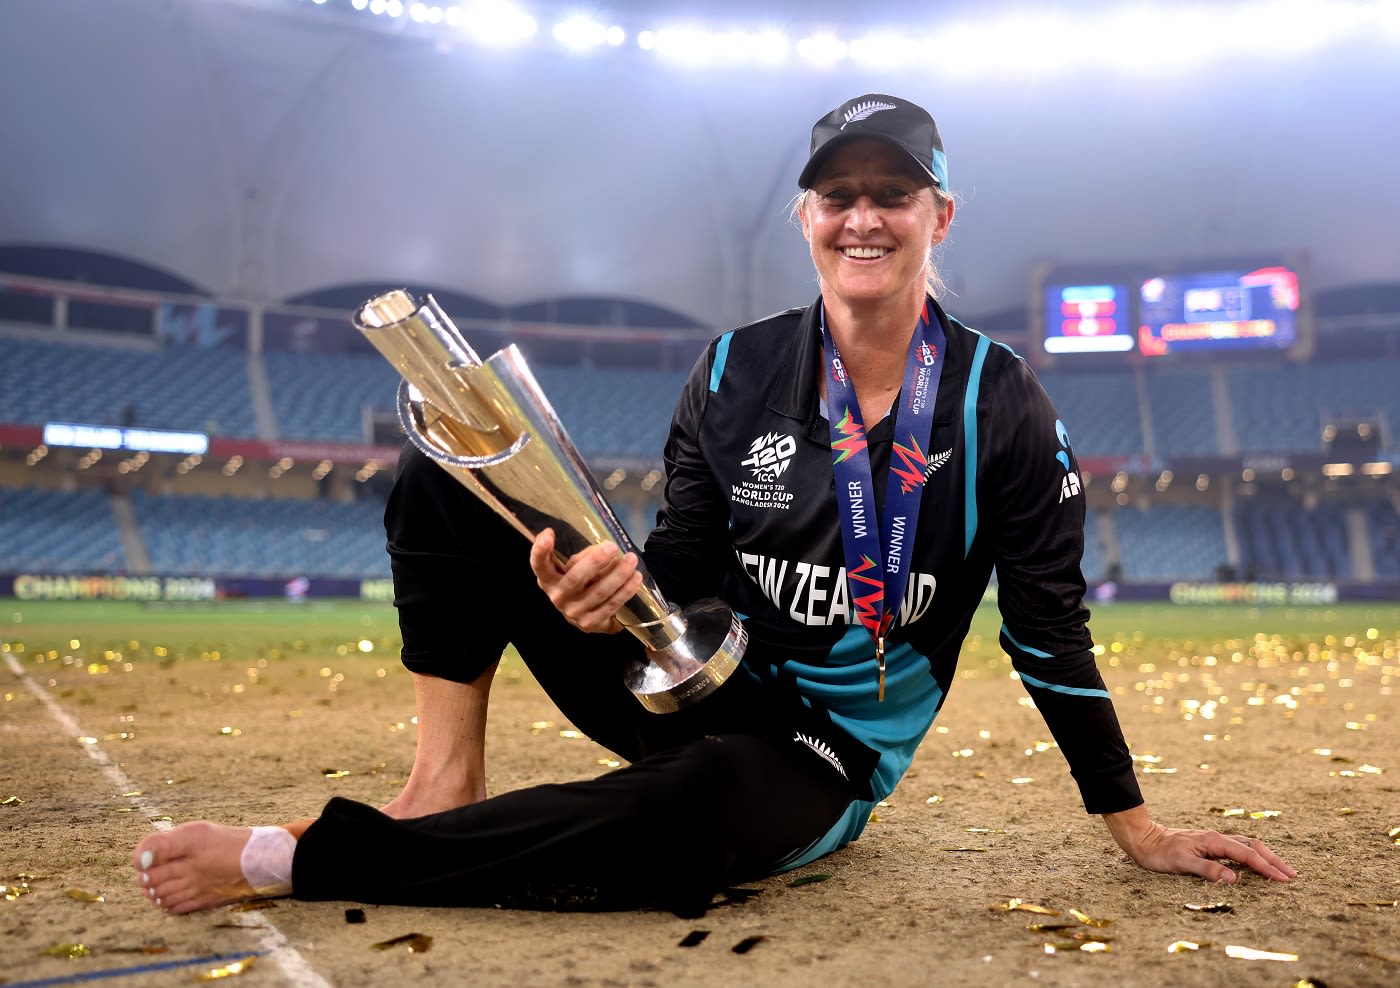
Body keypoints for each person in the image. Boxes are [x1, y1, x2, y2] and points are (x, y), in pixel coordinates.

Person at [133, 93, 1295, 915]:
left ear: (940, 214)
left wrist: (1132, 825)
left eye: (891, 193)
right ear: (804, 219)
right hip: (682, 671)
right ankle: (446, 776)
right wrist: (605, 596)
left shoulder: (1002, 404)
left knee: (693, 803)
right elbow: (684, 564)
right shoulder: (735, 368)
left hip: (814, 753)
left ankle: (310, 860)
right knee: (456, 460)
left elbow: (1046, 628)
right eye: (836, 195)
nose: (862, 218)